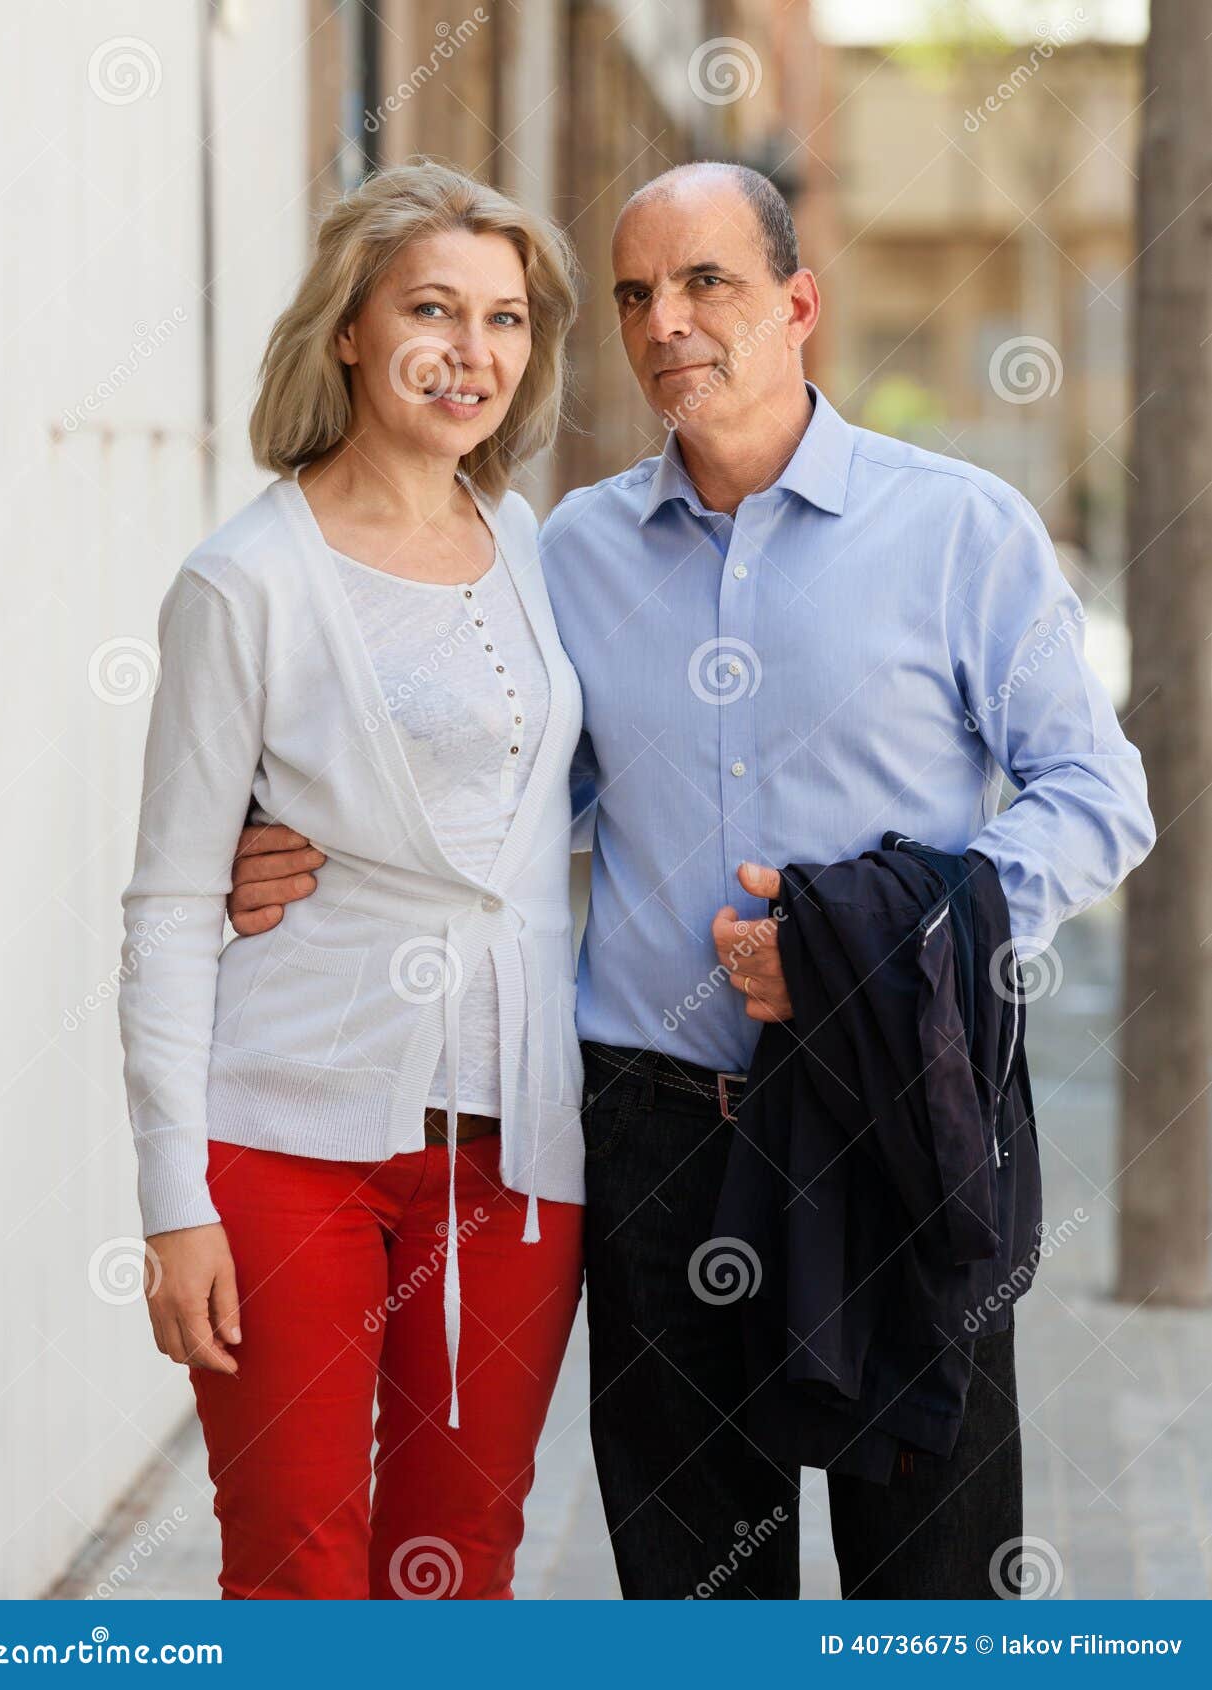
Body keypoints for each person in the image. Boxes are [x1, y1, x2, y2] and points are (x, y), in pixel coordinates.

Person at [228, 162, 1155, 1598]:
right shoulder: (569, 550)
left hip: (894, 1115)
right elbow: (508, 794)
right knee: (692, 1590)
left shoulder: (957, 531)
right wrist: (290, 830)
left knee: (935, 1582)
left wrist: (878, 949)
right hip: (656, 1141)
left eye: (706, 282)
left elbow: (1097, 797)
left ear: (797, 304)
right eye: (636, 294)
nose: (666, 320)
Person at [117, 161, 586, 1601]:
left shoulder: (526, 543)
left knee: (460, 1560)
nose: (473, 351)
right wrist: (169, 1199)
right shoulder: (242, 580)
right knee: (297, 1560)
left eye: (504, 319)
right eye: (431, 309)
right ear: (348, 329)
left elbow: (516, 824)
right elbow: (169, 902)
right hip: (287, 1145)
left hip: (512, 1159)